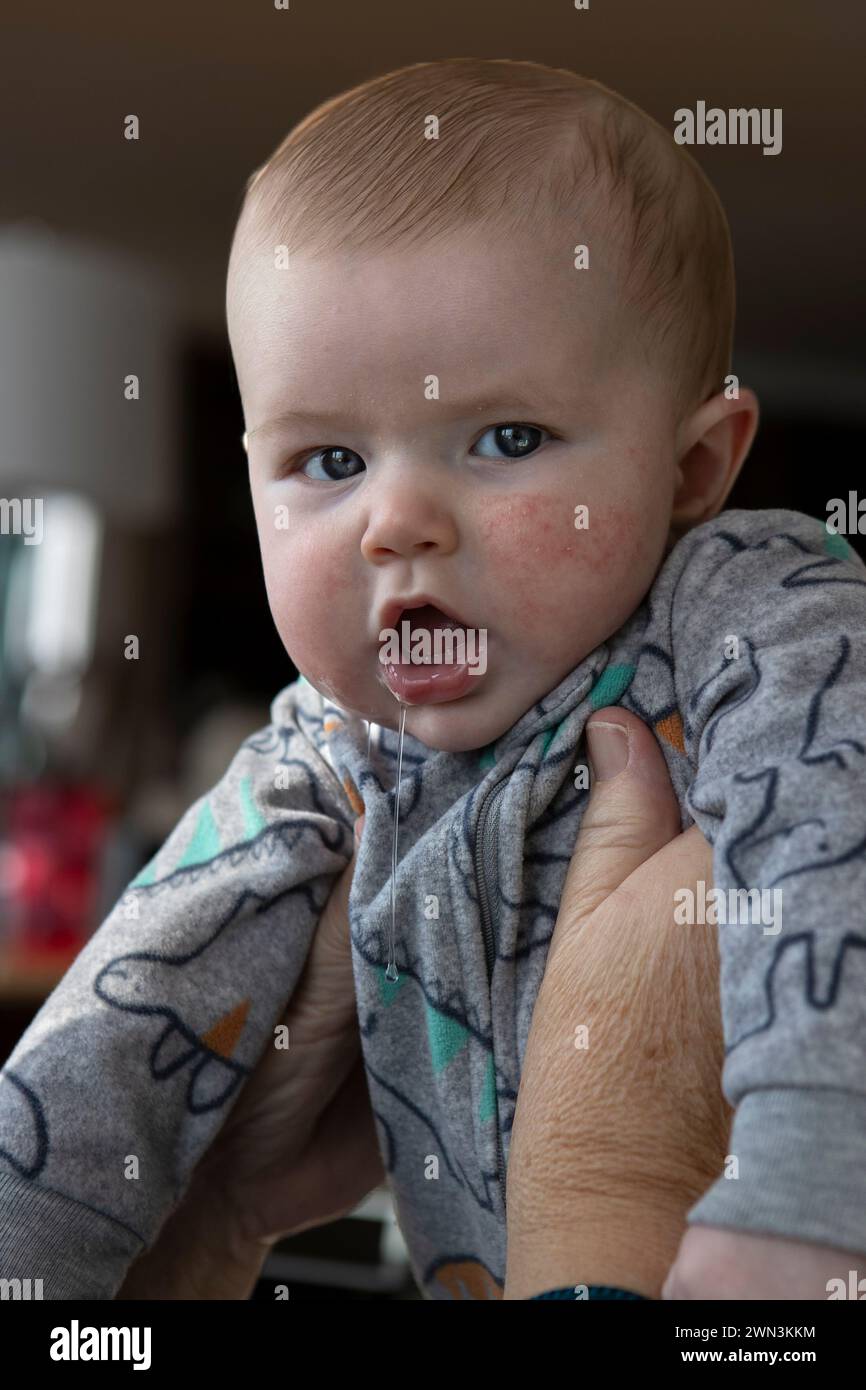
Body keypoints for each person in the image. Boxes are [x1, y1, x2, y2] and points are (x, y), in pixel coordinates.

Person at [2, 58, 866, 1301]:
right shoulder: (326, 759)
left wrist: (807, 1200)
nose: (394, 521)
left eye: (505, 438)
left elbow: (833, 842)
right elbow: (105, 1054)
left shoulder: (751, 616)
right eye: (329, 457)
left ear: (689, 467)